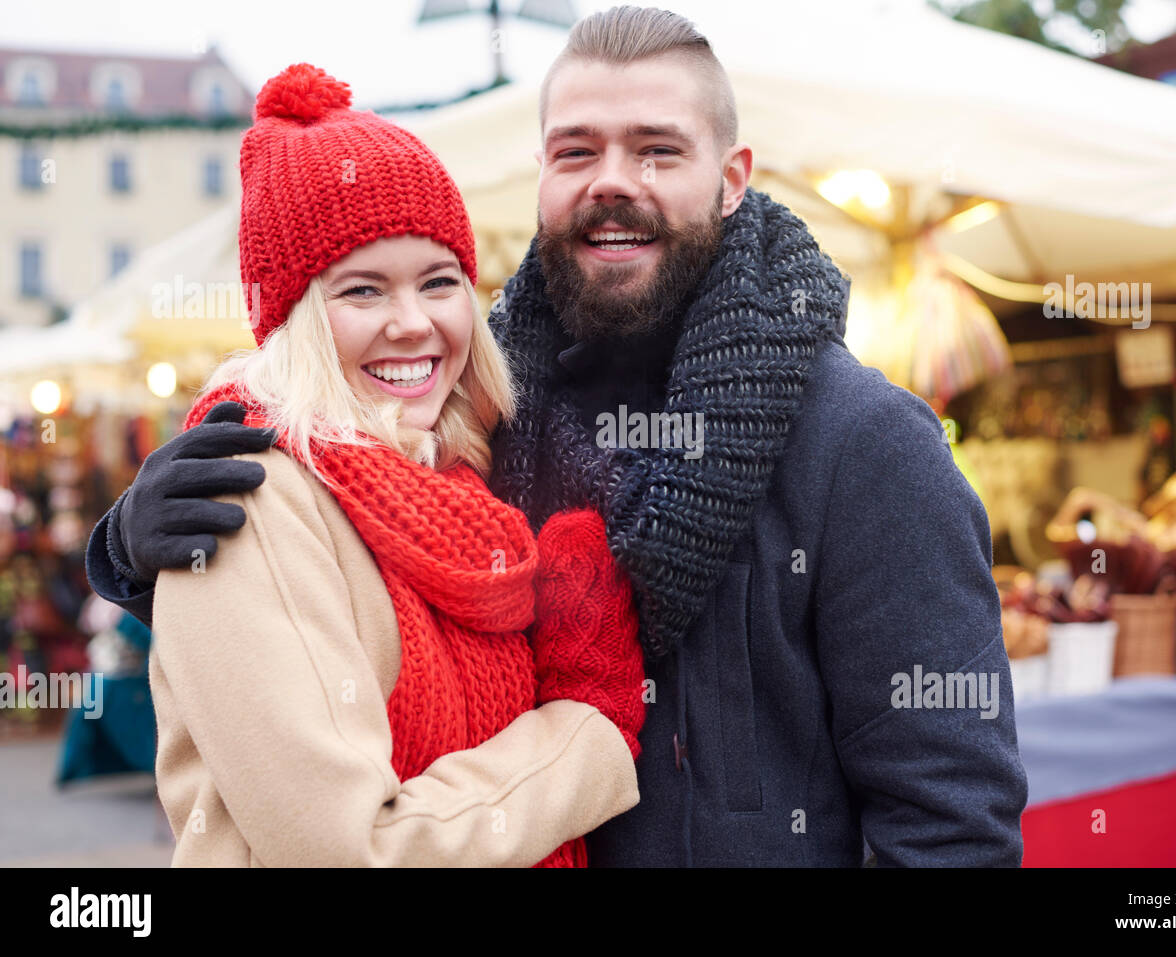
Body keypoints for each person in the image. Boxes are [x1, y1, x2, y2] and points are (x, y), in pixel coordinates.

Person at [88, 8, 1028, 867]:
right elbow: (326, 620)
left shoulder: (866, 446)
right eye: (576, 151)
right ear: (542, 176)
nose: (612, 182)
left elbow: (950, 827)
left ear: (733, 179)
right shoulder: (477, 423)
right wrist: (136, 545)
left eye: (658, 149)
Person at [112, 62, 645, 867]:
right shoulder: (248, 497)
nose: (412, 322)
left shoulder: (455, 484)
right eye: (362, 290)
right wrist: (582, 731)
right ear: (293, 321)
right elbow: (355, 848)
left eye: (439, 281)